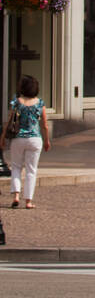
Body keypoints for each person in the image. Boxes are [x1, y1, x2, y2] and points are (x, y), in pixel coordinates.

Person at [1, 74, 51, 209]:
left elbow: (9, 122)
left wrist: (2, 138)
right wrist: (47, 140)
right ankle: (28, 201)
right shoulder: (40, 103)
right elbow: (44, 124)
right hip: (35, 139)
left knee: (16, 167)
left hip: (18, 139)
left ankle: (16, 196)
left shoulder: (17, 102)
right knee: (31, 170)